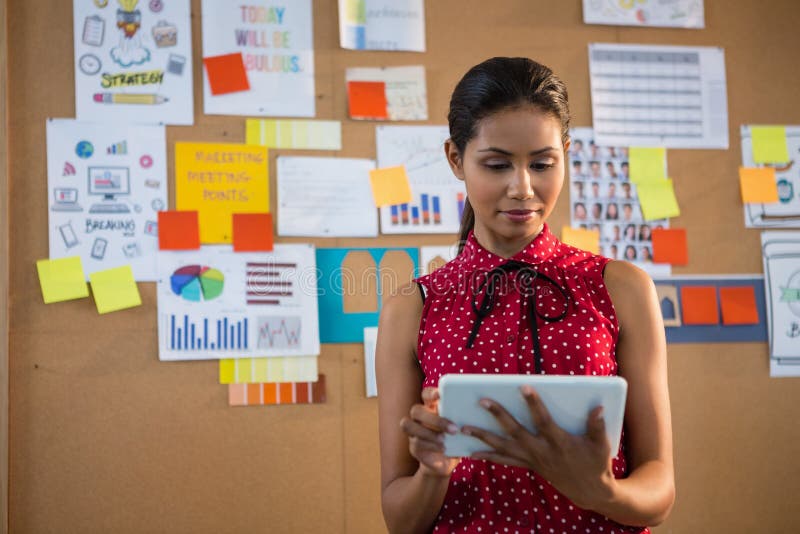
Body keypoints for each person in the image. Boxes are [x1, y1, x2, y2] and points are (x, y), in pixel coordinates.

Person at [377, 57, 674, 533]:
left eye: (542, 163)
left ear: (566, 153)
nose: (523, 188)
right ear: (456, 159)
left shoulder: (621, 288)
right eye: (497, 165)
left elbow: (659, 492)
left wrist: (600, 491)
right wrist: (433, 473)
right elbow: (400, 519)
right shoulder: (412, 308)